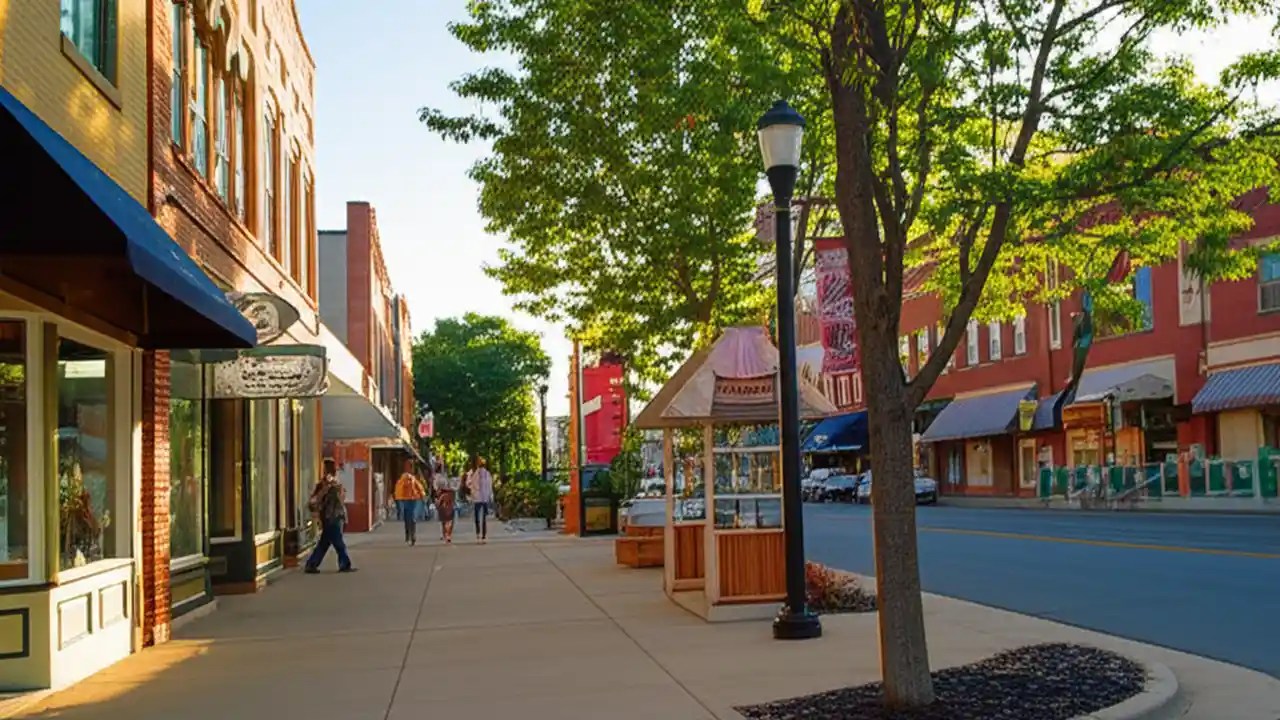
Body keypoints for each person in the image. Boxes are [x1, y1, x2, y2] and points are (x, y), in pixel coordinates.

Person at [305, 460, 355, 574]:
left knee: (325, 543)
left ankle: (312, 564)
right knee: (338, 543)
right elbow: (317, 500)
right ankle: (344, 564)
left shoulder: (334, 484)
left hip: (332, 516)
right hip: (332, 517)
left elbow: (340, 498)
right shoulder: (326, 485)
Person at [394, 459, 426, 545]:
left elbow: (419, 487)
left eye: (410, 466)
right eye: (408, 466)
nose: (409, 468)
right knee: (406, 518)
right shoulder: (403, 478)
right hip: (404, 500)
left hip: (412, 499)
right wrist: (398, 498)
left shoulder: (413, 478)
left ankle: (413, 536)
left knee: (412, 518)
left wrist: (422, 496)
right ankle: (408, 535)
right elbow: (398, 489)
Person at [467, 458, 494, 543]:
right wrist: (490, 496)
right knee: (484, 518)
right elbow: (490, 486)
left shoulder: (475, 474)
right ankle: (484, 536)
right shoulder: (487, 474)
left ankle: (478, 534)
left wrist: (473, 496)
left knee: (477, 517)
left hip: (478, 499)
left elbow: (473, 486)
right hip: (485, 498)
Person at [432, 462, 457, 544]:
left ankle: (448, 534)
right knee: (443, 516)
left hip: (450, 497)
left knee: (450, 515)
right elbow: (435, 487)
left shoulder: (451, 478)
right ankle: (445, 533)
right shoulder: (437, 477)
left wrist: (452, 488)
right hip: (442, 497)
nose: (445, 470)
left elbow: (455, 487)